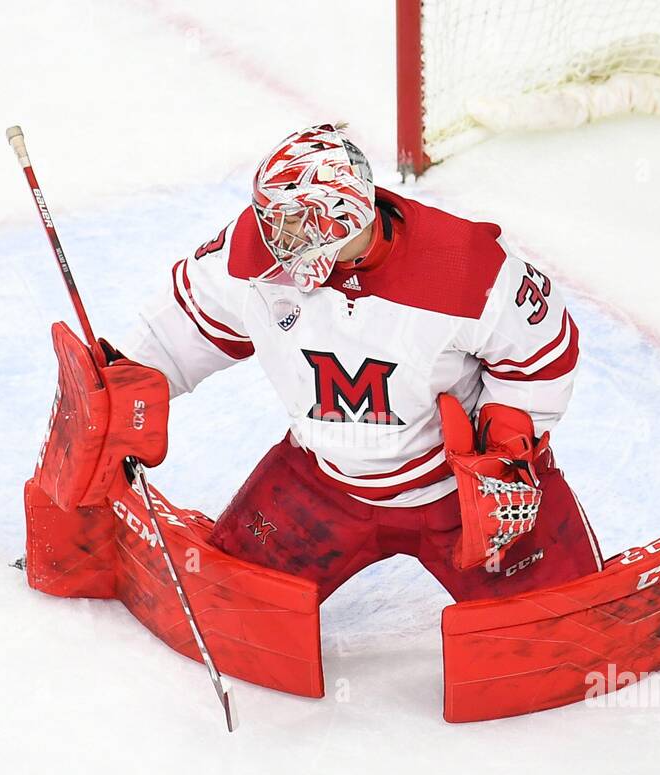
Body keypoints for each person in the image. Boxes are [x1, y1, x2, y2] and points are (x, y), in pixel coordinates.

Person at [112, 123, 602, 602]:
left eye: (295, 222)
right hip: (319, 484)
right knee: (226, 603)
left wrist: (503, 454)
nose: (274, 237)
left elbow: (540, 357)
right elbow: (183, 328)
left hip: (455, 489)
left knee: (561, 620)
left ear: (344, 213)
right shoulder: (250, 251)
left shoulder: (465, 264)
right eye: (271, 219)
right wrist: (123, 386)